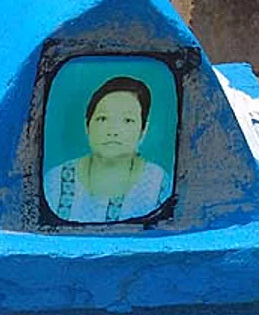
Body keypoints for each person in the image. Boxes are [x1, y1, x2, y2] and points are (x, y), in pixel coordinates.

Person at [44, 76, 170, 222]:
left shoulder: (159, 185)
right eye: (102, 119)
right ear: (87, 125)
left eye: (127, 120)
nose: (113, 131)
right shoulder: (55, 180)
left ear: (143, 129)